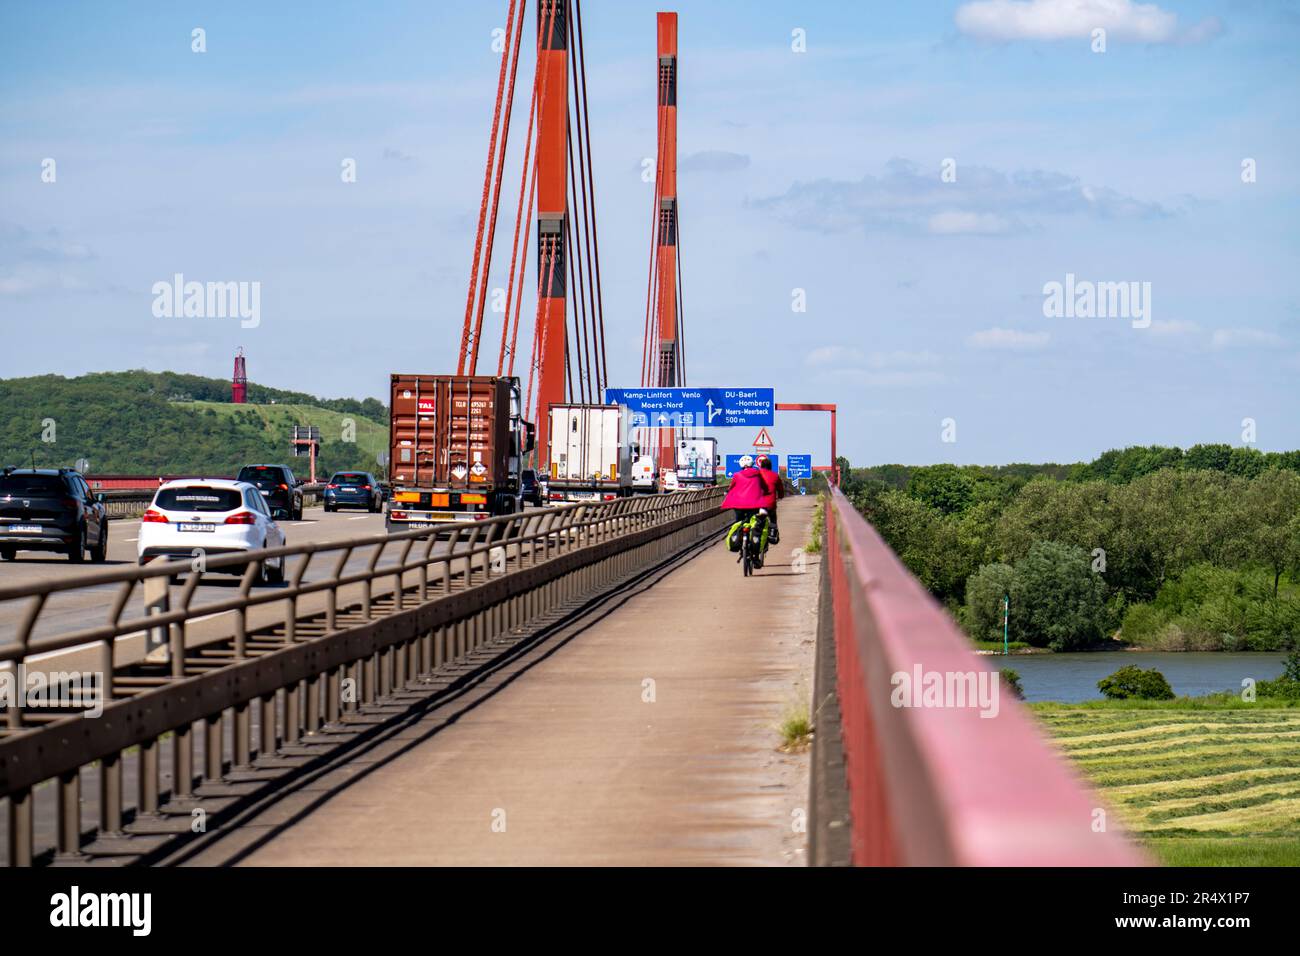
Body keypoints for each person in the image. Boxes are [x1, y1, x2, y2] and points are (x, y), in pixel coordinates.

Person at [720, 455, 772, 559]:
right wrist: (766, 492)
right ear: (752, 464)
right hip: (754, 504)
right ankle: (755, 553)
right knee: (754, 524)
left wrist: (727, 492)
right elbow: (764, 486)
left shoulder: (737, 475)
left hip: (739, 505)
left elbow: (731, 487)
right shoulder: (758, 474)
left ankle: (740, 545)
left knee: (739, 523)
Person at [756, 455, 784, 544]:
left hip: (756, 503)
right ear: (770, 466)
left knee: (754, 518)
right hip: (770, 504)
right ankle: (772, 533)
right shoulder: (775, 475)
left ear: (760, 466)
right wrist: (780, 496)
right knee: (772, 518)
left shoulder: (756, 474)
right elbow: (780, 489)